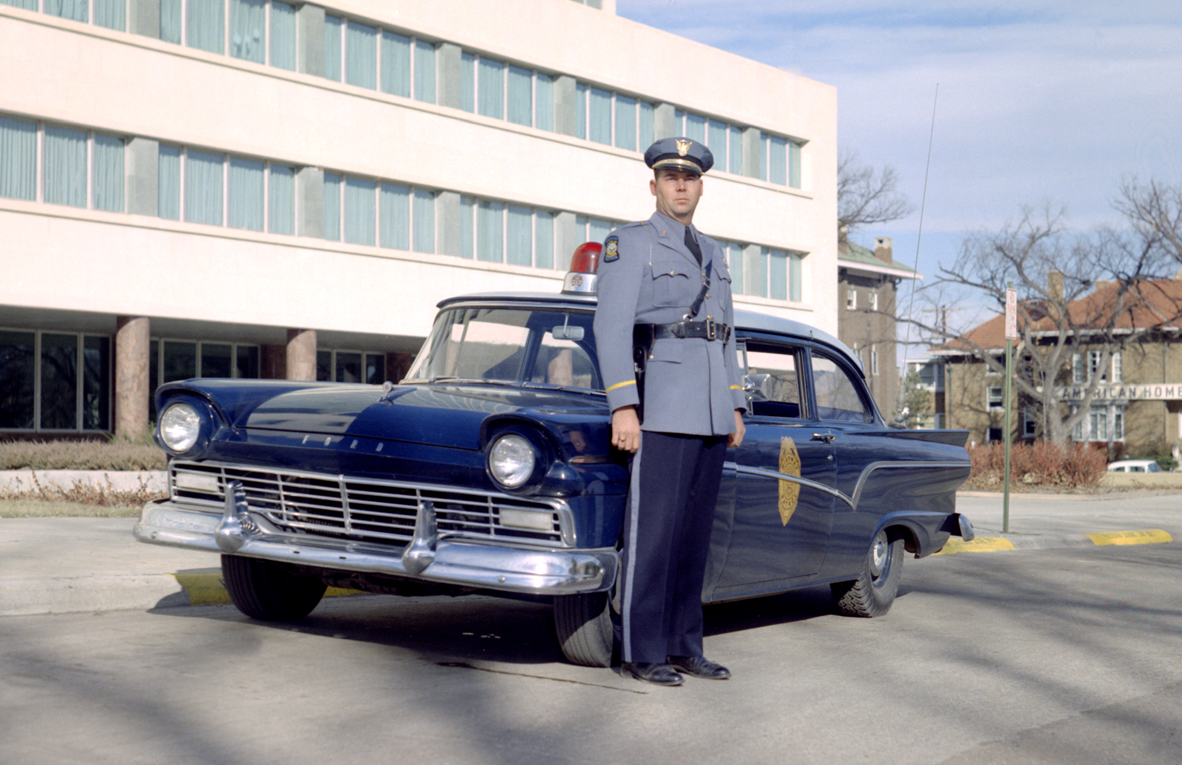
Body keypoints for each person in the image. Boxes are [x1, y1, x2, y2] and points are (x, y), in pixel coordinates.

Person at [593, 137, 747, 687]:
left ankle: (685, 646)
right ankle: (642, 651)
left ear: (701, 186)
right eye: (670, 176)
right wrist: (623, 407)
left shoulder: (714, 250)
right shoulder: (630, 243)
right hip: (659, 407)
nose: (681, 185)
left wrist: (733, 402)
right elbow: (609, 327)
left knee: (691, 537)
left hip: (708, 411)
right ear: (653, 185)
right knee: (653, 537)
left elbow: (725, 332)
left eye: (690, 177)